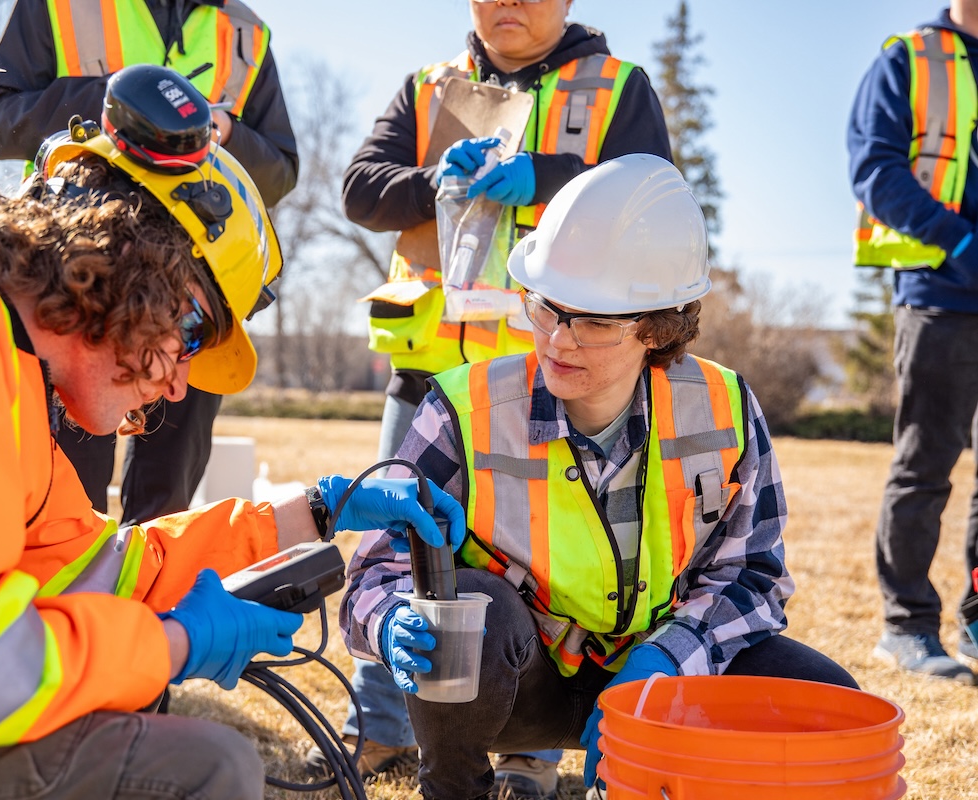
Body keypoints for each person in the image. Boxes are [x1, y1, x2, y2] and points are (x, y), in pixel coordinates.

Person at [0, 66, 464, 799]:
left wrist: (320, 509)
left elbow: (110, 572)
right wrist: (174, 645)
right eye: (192, 333)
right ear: (129, 261)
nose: (178, 384)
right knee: (205, 770)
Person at [340, 154, 859, 800]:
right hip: (519, 682)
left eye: (592, 321)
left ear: (657, 329)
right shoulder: (463, 410)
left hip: (663, 676)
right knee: (466, 612)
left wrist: (665, 660)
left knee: (828, 700)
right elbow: (373, 573)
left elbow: (753, 577)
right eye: (546, 308)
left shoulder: (722, 407)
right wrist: (391, 619)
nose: (558, 340)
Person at [324, 0, 671, 793]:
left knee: (541, 560)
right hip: (428, 376)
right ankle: (378, 730)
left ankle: (527, 758)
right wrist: (431, 182)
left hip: (548, 380)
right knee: (396, 548)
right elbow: (360, 191)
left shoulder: (618, 88)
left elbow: (651, 199)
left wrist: (543, 177)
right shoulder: (427, 88)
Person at [0, 0, 298, 524]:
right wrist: (122, 104)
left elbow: (282, 169)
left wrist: (222, 130)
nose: (175, 383)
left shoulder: (246, 32)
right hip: (86, 283)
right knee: (63, 497)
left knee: (165, 504)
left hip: (199, 288)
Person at [848, 0, 978, 684]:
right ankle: (907, 626)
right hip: (940, 293)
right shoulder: (911, 60)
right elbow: (875, 168)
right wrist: (959, 240)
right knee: (926, 465)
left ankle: (976, 623)